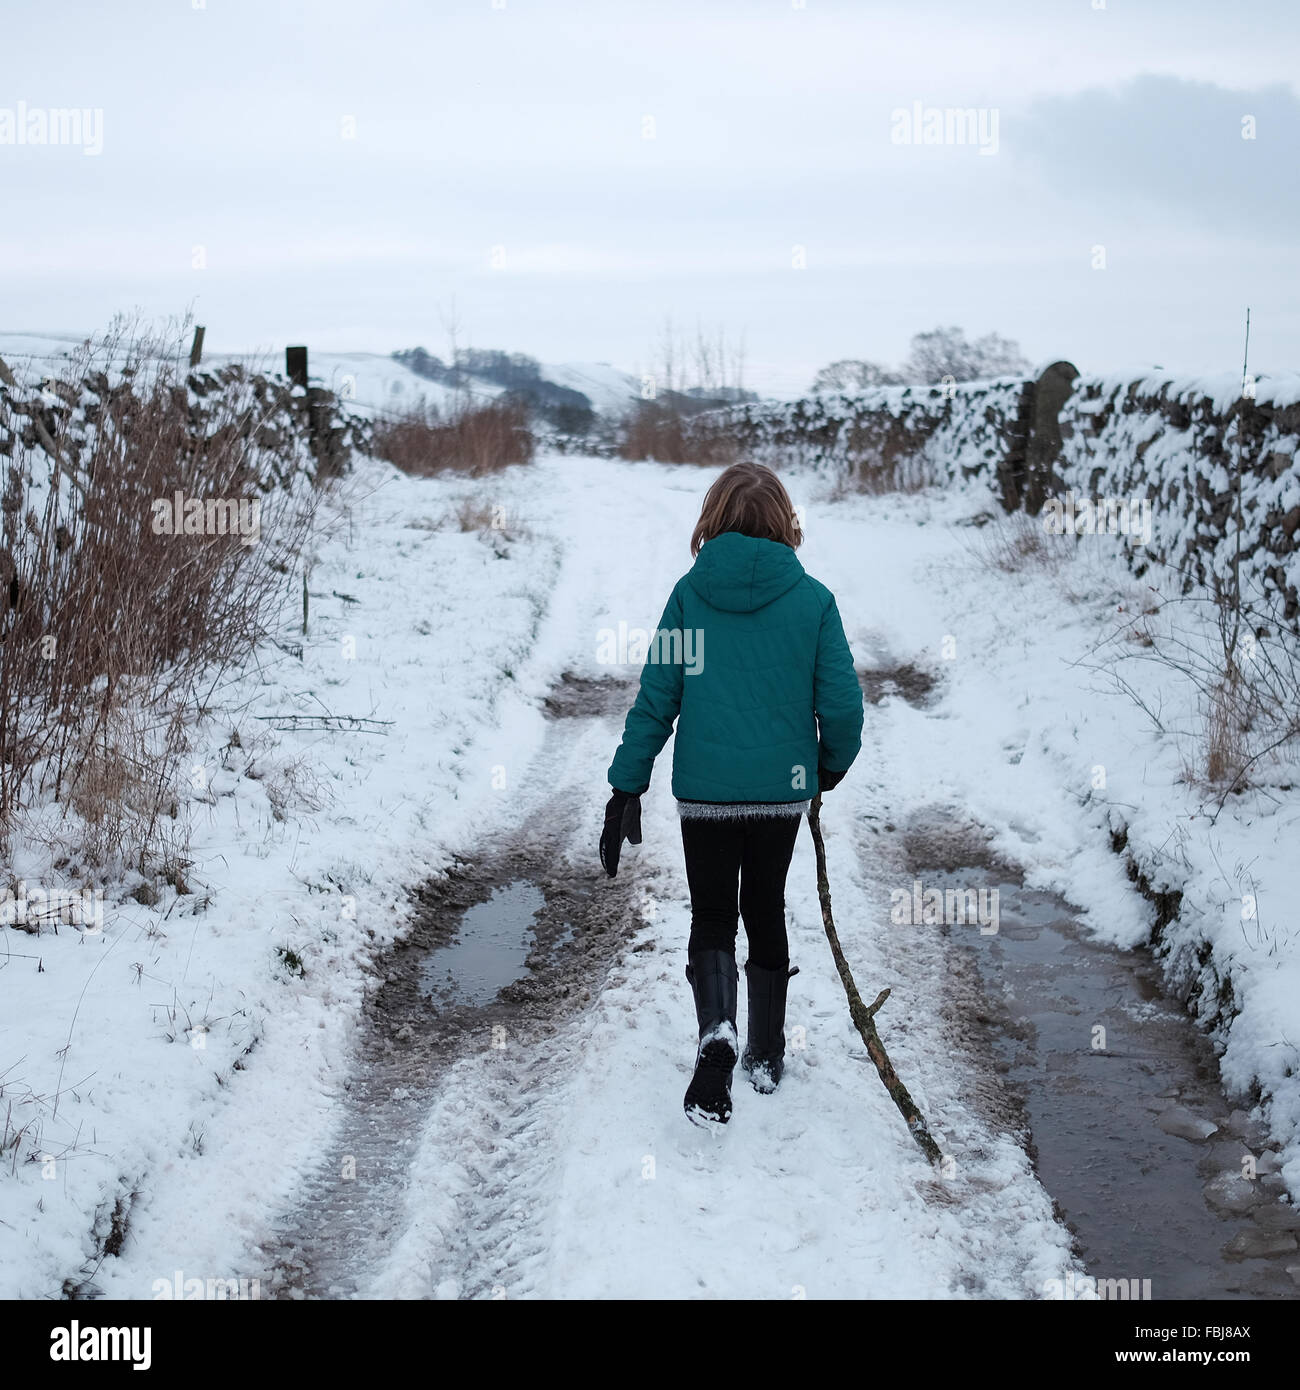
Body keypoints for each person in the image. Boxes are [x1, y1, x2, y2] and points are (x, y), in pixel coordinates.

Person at [600, 462, 864, 1126]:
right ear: (784, 521)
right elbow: (844, 709)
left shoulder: (690, 596)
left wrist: (626, 784)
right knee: (766, 909)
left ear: (713, 518)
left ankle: (718, 1028)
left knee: (714, 916)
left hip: (707, 795)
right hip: (783, 795)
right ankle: (767, 1055)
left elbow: (657, 700)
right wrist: (825, 769)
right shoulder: (814, 602)